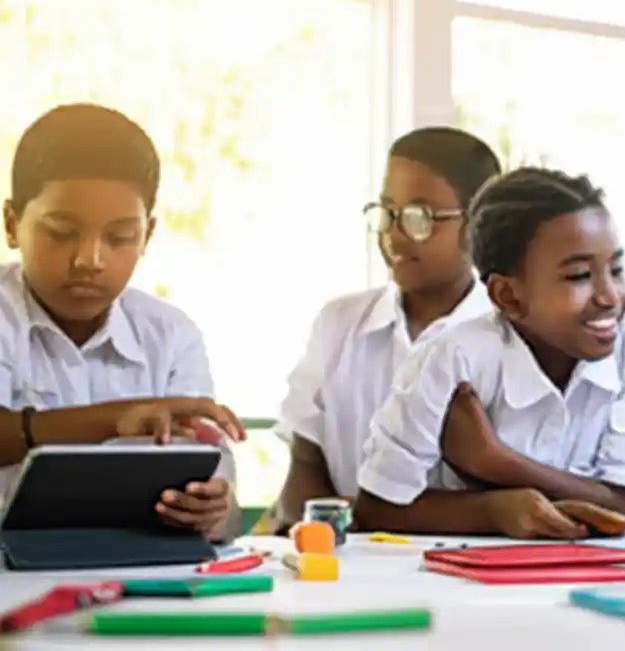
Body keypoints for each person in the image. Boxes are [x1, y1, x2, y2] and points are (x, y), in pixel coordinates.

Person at [354, 167, 625, 538]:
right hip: (456, 584)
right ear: (508, 296)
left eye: (615, 269)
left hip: (583, 578)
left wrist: (495, 462)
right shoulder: (453, 357)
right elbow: (376, 508)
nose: (610, 296)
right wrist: (493, 512)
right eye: (579, 276)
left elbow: (624, 507)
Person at [0, 104, 245, 541]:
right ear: (12, 223)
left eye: (119, 238)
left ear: (147, 236)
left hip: (137, 585)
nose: (89, 260)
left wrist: (210, 513)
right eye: (61, 232)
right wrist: (119, 420)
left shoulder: (170, 336)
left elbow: (227, 515)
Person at [271, 128, 498, 529]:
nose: (393, 234)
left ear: (478, 224)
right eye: (388, 212)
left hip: (467, 571)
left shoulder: (505, 336)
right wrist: (325, 525)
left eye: (419, 218)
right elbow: (305, 463)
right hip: (344, 566)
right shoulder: (340, 324)